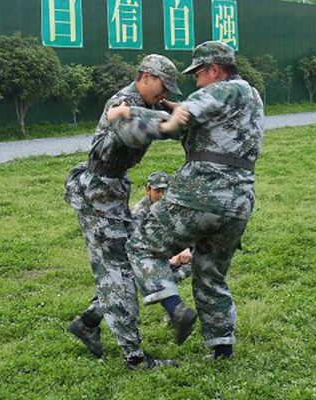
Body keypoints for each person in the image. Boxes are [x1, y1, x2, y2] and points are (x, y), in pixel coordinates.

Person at [108, 41, 264, 360]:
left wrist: (127, 114)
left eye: (198, 74)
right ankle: (221, 349)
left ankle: (176, 310)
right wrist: (169, 106)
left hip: (202, 192)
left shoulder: (222, 90)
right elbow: (196, 116)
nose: (195, 81)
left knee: (142, 247)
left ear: (215, 70)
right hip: (239, 201)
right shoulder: (249, 96)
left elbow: (179, 121)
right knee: (210, 273)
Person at [63, 54, 182, 370]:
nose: (165, 94)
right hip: (99, 194)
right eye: (162, 86)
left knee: (128, 261)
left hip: (113, 188)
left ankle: (88, 322)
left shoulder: (145, 102)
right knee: (117, 274)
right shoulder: (123, 103)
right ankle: (134, 357)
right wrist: (166, 116)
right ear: (145, 76)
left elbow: (165, 112)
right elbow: (142, 122)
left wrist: (170, 108)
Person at [132, 171, 193, 281]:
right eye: (157, 191)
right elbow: (140, 243)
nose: (161, 195)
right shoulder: (139, 212)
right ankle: (170, 275)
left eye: (165, 191)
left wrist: (185, 248)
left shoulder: (173, 205)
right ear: (148, 190)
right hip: (151, 251)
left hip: (172, 248)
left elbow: (185, 230)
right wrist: (170, 257)